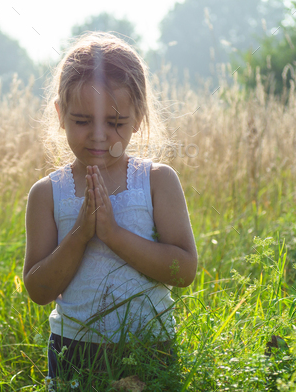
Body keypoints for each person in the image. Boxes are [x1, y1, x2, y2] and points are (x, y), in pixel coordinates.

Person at [22, 32, 198, 388]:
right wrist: (81, 234)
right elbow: (38, 290)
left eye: (115, 123)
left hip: (149, 346)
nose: (99, 135)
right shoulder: (47, 194)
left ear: (138, 117)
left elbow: (184, 271)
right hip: (74, 349)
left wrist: (114, 235)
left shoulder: (156, 182)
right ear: (60, 114)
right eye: (82, 121)